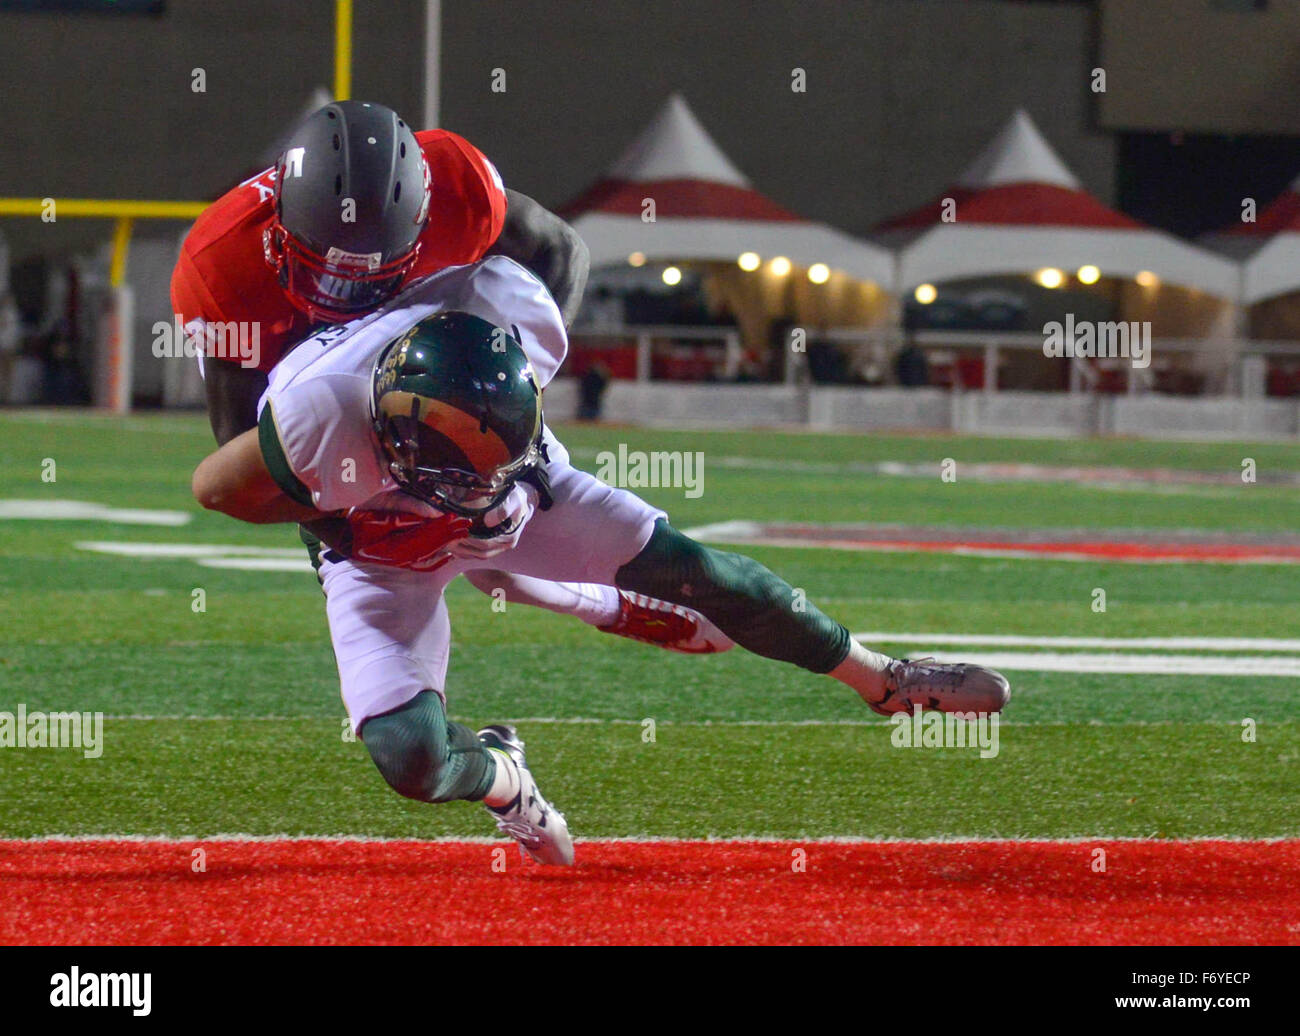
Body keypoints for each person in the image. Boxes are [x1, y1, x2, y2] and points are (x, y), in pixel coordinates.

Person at [191, 256, 1011, 866]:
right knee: (411, 759)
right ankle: (508, 779)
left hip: (530, 490)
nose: (476, 488)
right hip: (378, 553)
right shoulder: (318, 418)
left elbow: (545, 238)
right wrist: (349, 528)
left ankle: (887, 680)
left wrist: (492, 488)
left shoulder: (522, 318)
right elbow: (219, 490)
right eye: (459, 471)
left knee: (708, 575)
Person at [171, 99, 729, 655]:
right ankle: (483, 728)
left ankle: (620, 606)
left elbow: (558, 249)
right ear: (279, 227)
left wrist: (513, 390)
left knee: (498, 549)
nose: (351, 294)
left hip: (434, 374)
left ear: (422, 220)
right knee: (389, 593)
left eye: (377, 271)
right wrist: (346, 528)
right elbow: (242, 450)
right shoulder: (221, 267)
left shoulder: (455, 186)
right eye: (331, 270)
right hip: (328, 401)